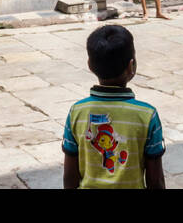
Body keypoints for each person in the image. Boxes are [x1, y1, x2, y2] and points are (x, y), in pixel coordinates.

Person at [62, 24, 165, 189]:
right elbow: (155, 180)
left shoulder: (77, 112)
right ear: (131, 66)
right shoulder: (147, 115)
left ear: (90, 65)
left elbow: (69, 177)